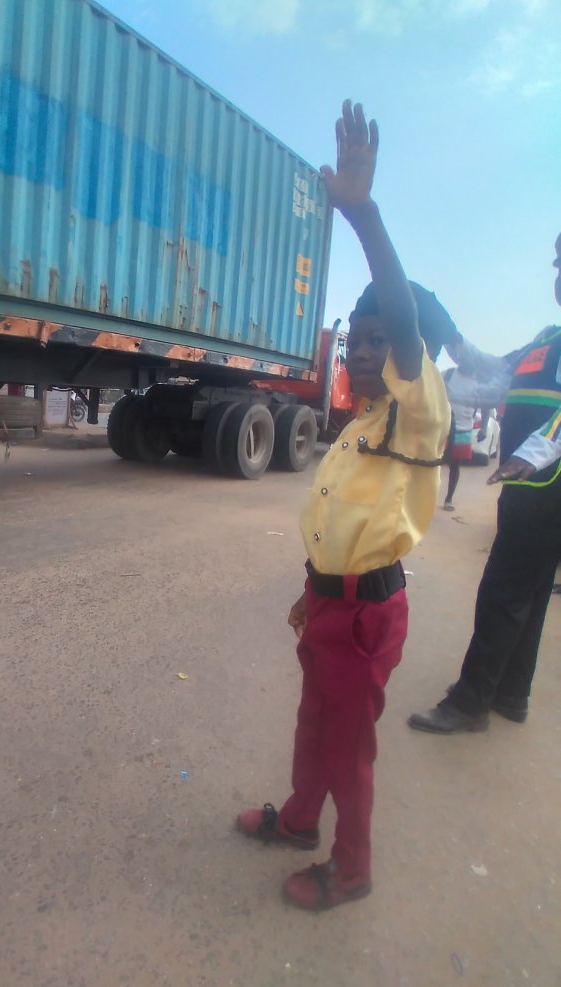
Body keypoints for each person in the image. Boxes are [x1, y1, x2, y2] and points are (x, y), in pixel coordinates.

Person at [236, 100, 453, 912]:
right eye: (352, 337)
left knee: (347, 746)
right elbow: (336, 524)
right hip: (331, 605)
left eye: (376, 339)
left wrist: (363, 215)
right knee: (311, 726)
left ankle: (352, 866)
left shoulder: (416, 408)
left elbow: (402, 318)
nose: (361, 349)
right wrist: (310, 586)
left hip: (368, 618)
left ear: (405, 352)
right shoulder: (361, 423)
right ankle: (297, 821)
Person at [409, 234, 561, 733]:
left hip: (547, 487)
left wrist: (530, 455)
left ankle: (470, 704)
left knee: (502, 592)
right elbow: (494, 375)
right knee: (531, 591)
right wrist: (449, 337)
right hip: (530, 490)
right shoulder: (547, 339)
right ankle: (512, 694)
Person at [441, 366, 492, 510]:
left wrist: (484, 427)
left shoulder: (480, 380)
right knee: (434, 462)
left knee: (455, 465)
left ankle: (449, 498)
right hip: (442, 427)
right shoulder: (448, 374)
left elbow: (486, 406)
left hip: (464, 430)